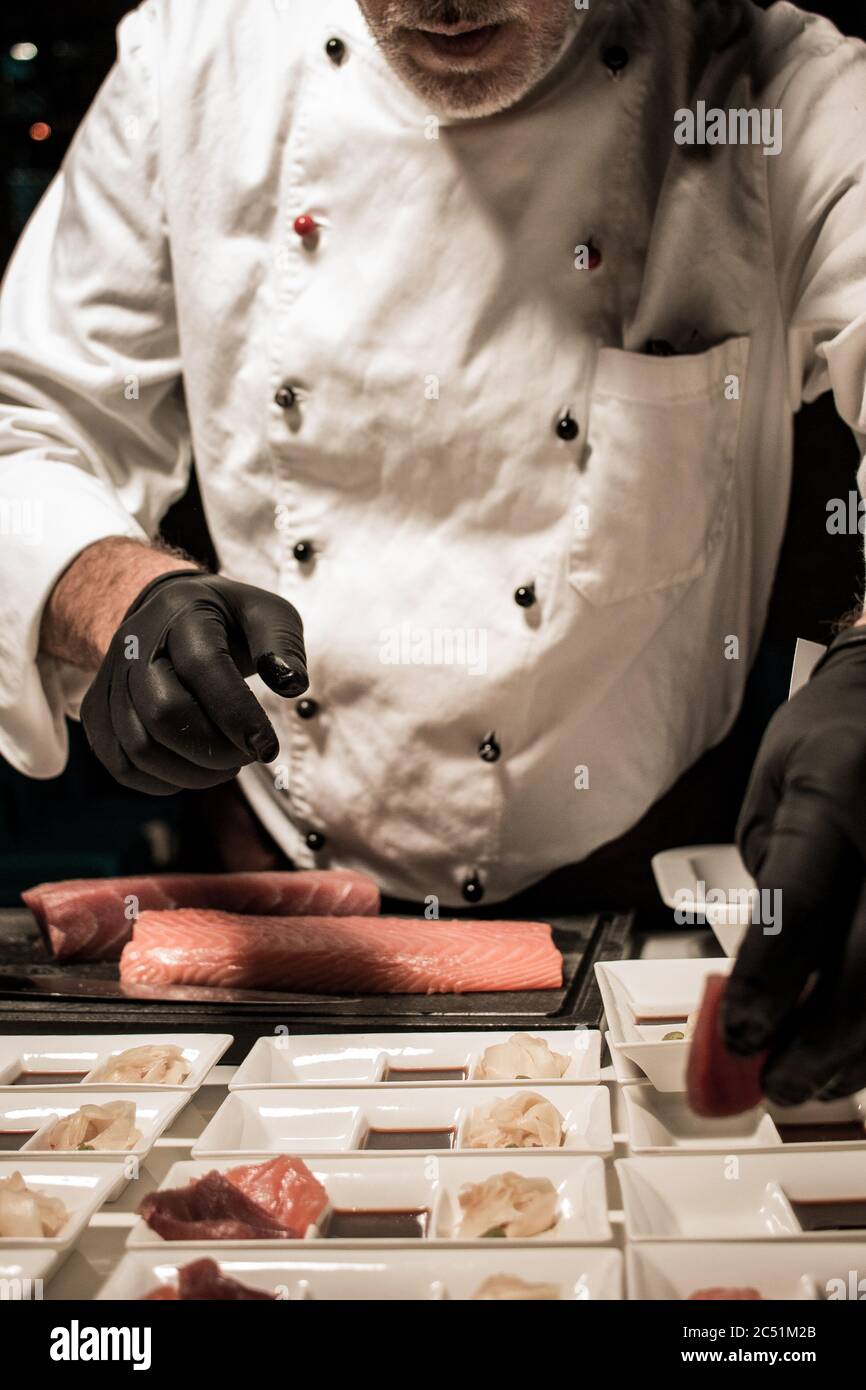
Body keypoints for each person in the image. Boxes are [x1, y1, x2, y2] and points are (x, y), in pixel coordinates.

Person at [1, 0, 865, 1104]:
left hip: (644, 908)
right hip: (279, 911)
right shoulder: (197, 58)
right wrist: (111, 590)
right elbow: (29, 421)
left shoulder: (762, 81)